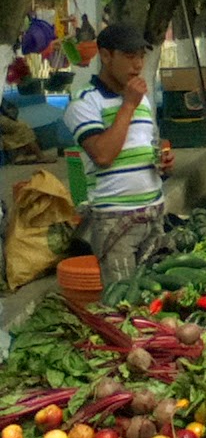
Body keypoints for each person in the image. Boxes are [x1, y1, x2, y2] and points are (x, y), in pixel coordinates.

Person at [63, 23, 175, 285]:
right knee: (123, 303)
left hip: (154, 213)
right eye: (128, 56)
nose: (137, 65)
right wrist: (128, 105)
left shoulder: (142, 101)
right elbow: (103, 155)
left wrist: (164, 166)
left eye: (141, 56)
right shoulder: (84, 102)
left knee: (156, 296)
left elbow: (143, 150)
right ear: (105, 56)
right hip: (115, 221)